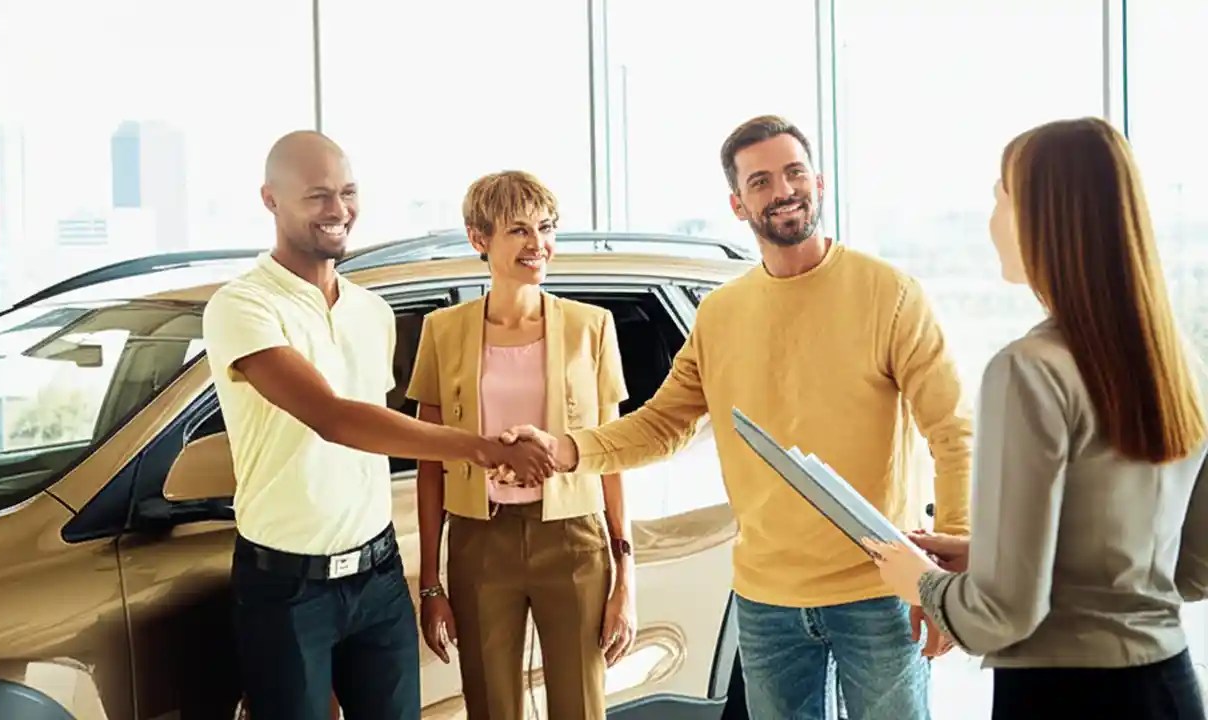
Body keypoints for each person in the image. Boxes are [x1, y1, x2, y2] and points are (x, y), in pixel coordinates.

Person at [502, 114, 973, 720]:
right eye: (761, 182)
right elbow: (660, 425)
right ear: (737, 203)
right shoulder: (722, 315)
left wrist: (942, 576)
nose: (782, 191)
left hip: (880, 591)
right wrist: (563, 450)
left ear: (819, 183)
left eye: (794, 172)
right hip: (765, 601)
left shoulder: (890, 294)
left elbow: (952, 431)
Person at [201, 131, 554, 720]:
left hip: (379, 576)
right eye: (317, 196)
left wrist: (423, 583)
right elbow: (335, 419)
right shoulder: (242, 307)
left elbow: (382, 435)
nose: (338, 211)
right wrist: (484, 450)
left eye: (347, 192)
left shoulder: (373, 313)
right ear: (271, 199)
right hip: (287, 590)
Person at [865, 117, 1208, 719]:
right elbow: (1193, 570)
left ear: (1044, 216)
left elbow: (1004, 614)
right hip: (1169, 690)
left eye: (1000, 194)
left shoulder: (1027, 370)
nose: (991, 217)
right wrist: (992, 554)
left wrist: (917, 580)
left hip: (1065, 696)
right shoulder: (1182, 362)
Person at [406, 170, 635, 720]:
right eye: (518, 230)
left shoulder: (592, 327)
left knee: (580, 706)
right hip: (480, 542)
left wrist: (626, 578)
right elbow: (429, 462)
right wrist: (431, 583)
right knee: (490, 706)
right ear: (478, 239)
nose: (538, 244)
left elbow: (611, 454)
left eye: (547, 227)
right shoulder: (442, 330)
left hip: (575, 540)